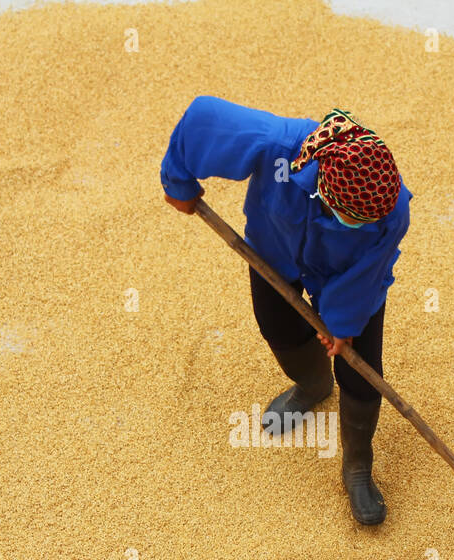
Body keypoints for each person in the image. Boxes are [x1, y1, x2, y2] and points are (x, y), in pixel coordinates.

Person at [160, 96, 412, 525]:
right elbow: (202, 120)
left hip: (345, 277)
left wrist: (341, 325)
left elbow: (368, 271)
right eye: (353, 219)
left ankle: (357, 465)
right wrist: (178, 183)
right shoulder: (279, 144)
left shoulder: (390, 211)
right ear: (323, 188)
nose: (365, 226)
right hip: (274, 253)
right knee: (278, 328)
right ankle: (312, 386)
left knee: (361, 369)